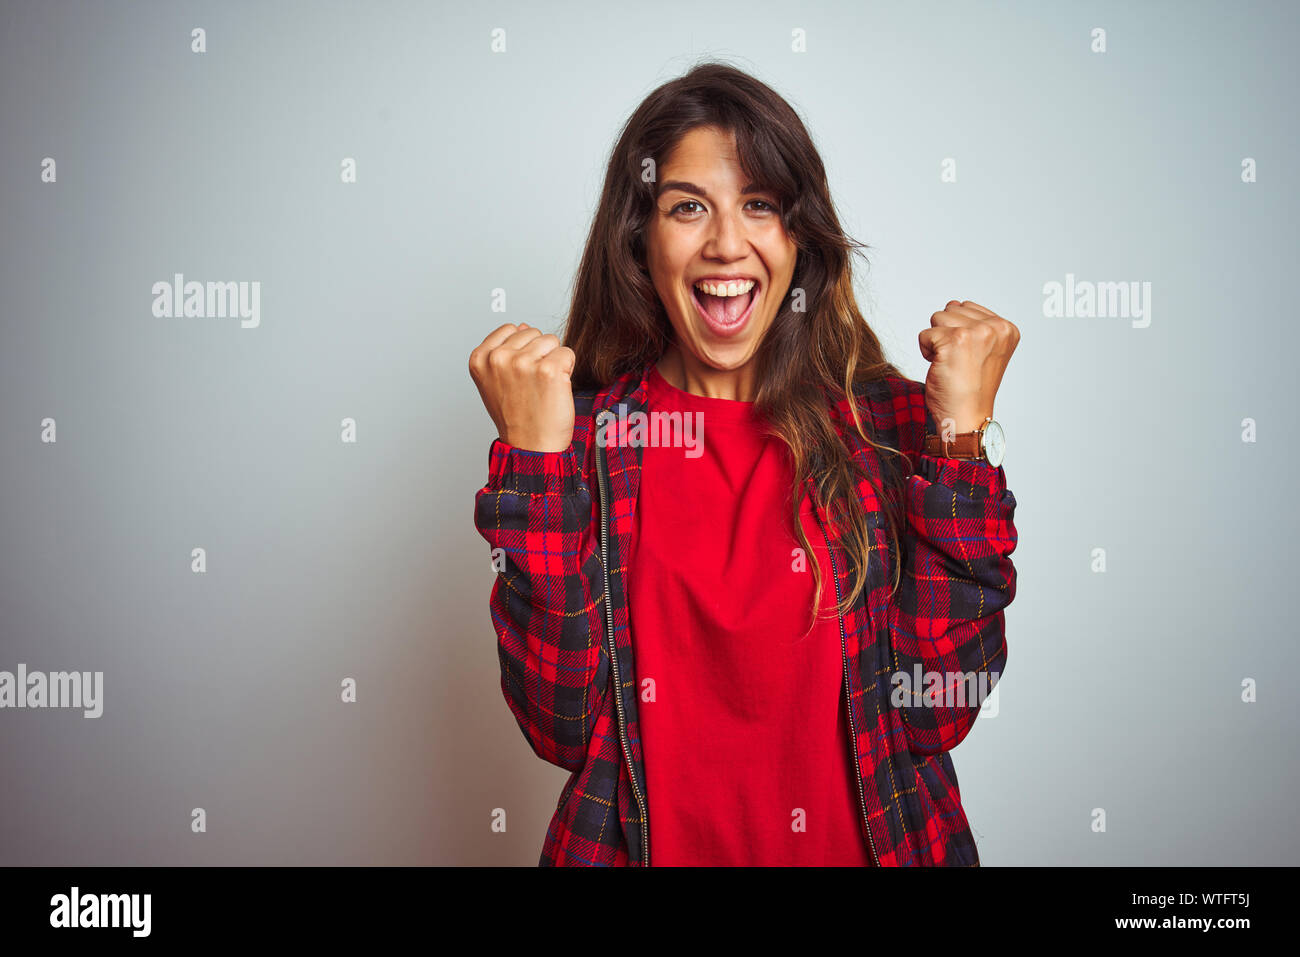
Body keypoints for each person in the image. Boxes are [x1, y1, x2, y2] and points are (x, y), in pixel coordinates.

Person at [470, 61, 1019, 866]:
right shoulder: (578, 442)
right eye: (688, 207)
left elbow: (937, 715)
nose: (727, 242)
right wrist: (534, 463)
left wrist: (963, 439)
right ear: (639, 237)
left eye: (760, 204)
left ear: (799, 238)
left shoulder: (897, 428)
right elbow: (556, 726)